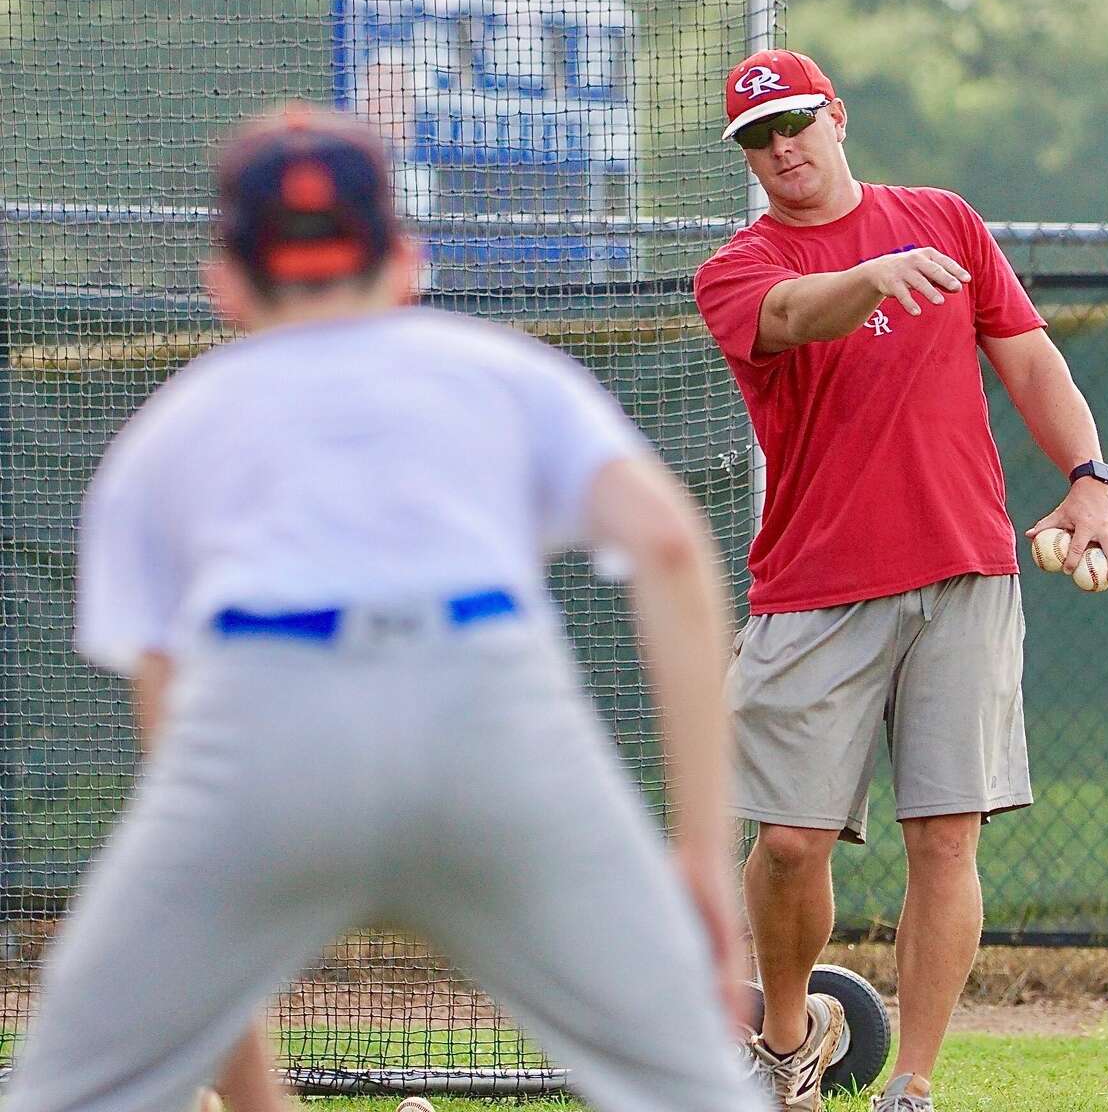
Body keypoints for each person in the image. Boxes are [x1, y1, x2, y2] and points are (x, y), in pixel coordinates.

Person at [5, 104, 768, 1112]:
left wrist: (254, 1091)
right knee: (693, 1093)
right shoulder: (501, 371)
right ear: (405, 262)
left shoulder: (170, 429)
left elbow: (170, 718)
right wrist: (703, 859)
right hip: (492, 717)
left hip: (262, 730)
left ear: (225, 282)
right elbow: (670, 547)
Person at [694, 50, 1108, 1112]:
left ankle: (916, 1085)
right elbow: (796, 318)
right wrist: (872, 277)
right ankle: (791, 1039)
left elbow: (1028, 360)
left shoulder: (943, 216)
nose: (781, 148)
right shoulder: (738, 269)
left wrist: (1089, 481)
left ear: (836, 116)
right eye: (757, 137)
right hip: (815, 581)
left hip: (965, 570)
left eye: (796, 121)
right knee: (790, 845)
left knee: (946, 835)